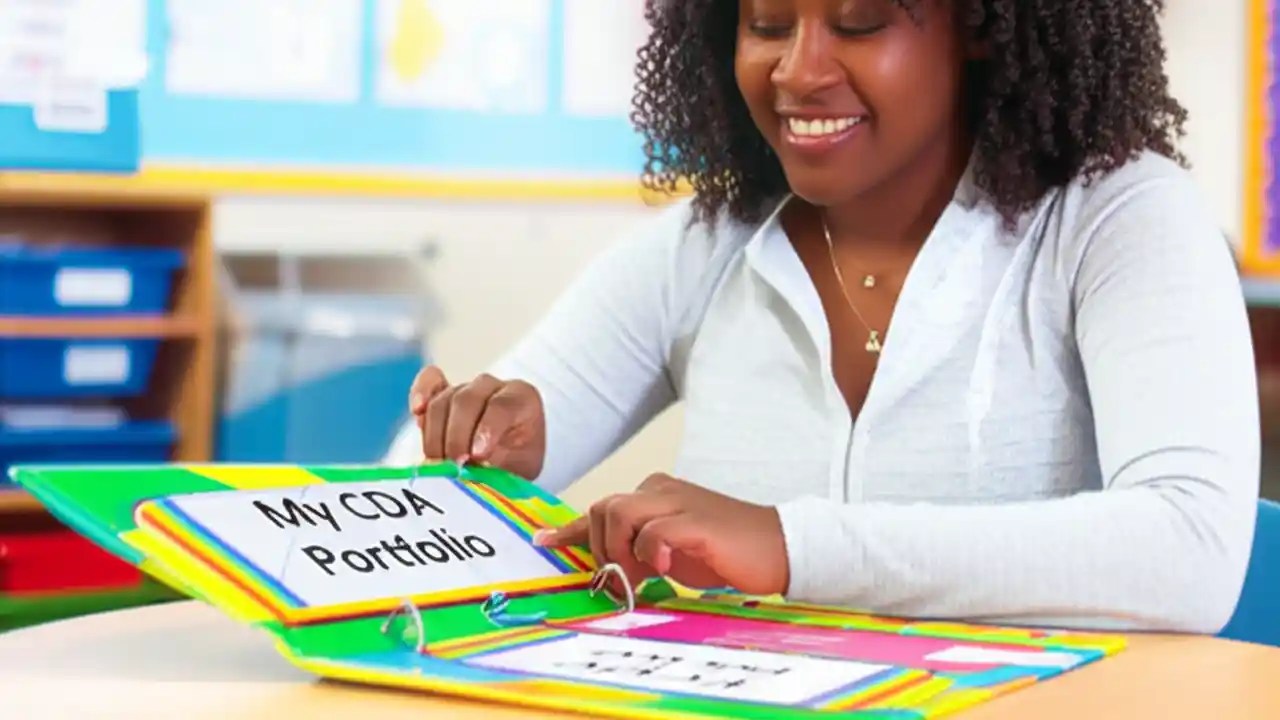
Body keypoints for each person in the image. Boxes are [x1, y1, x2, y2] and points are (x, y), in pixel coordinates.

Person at [402, 0, 1260, 633]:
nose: (799, 71)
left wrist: (790, 546)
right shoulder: (706, 246)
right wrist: (474, 455)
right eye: (768, 24)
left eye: (859, 23)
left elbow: (1188, 550)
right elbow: (411, 498)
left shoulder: (1120, 219)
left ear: (981, 24)